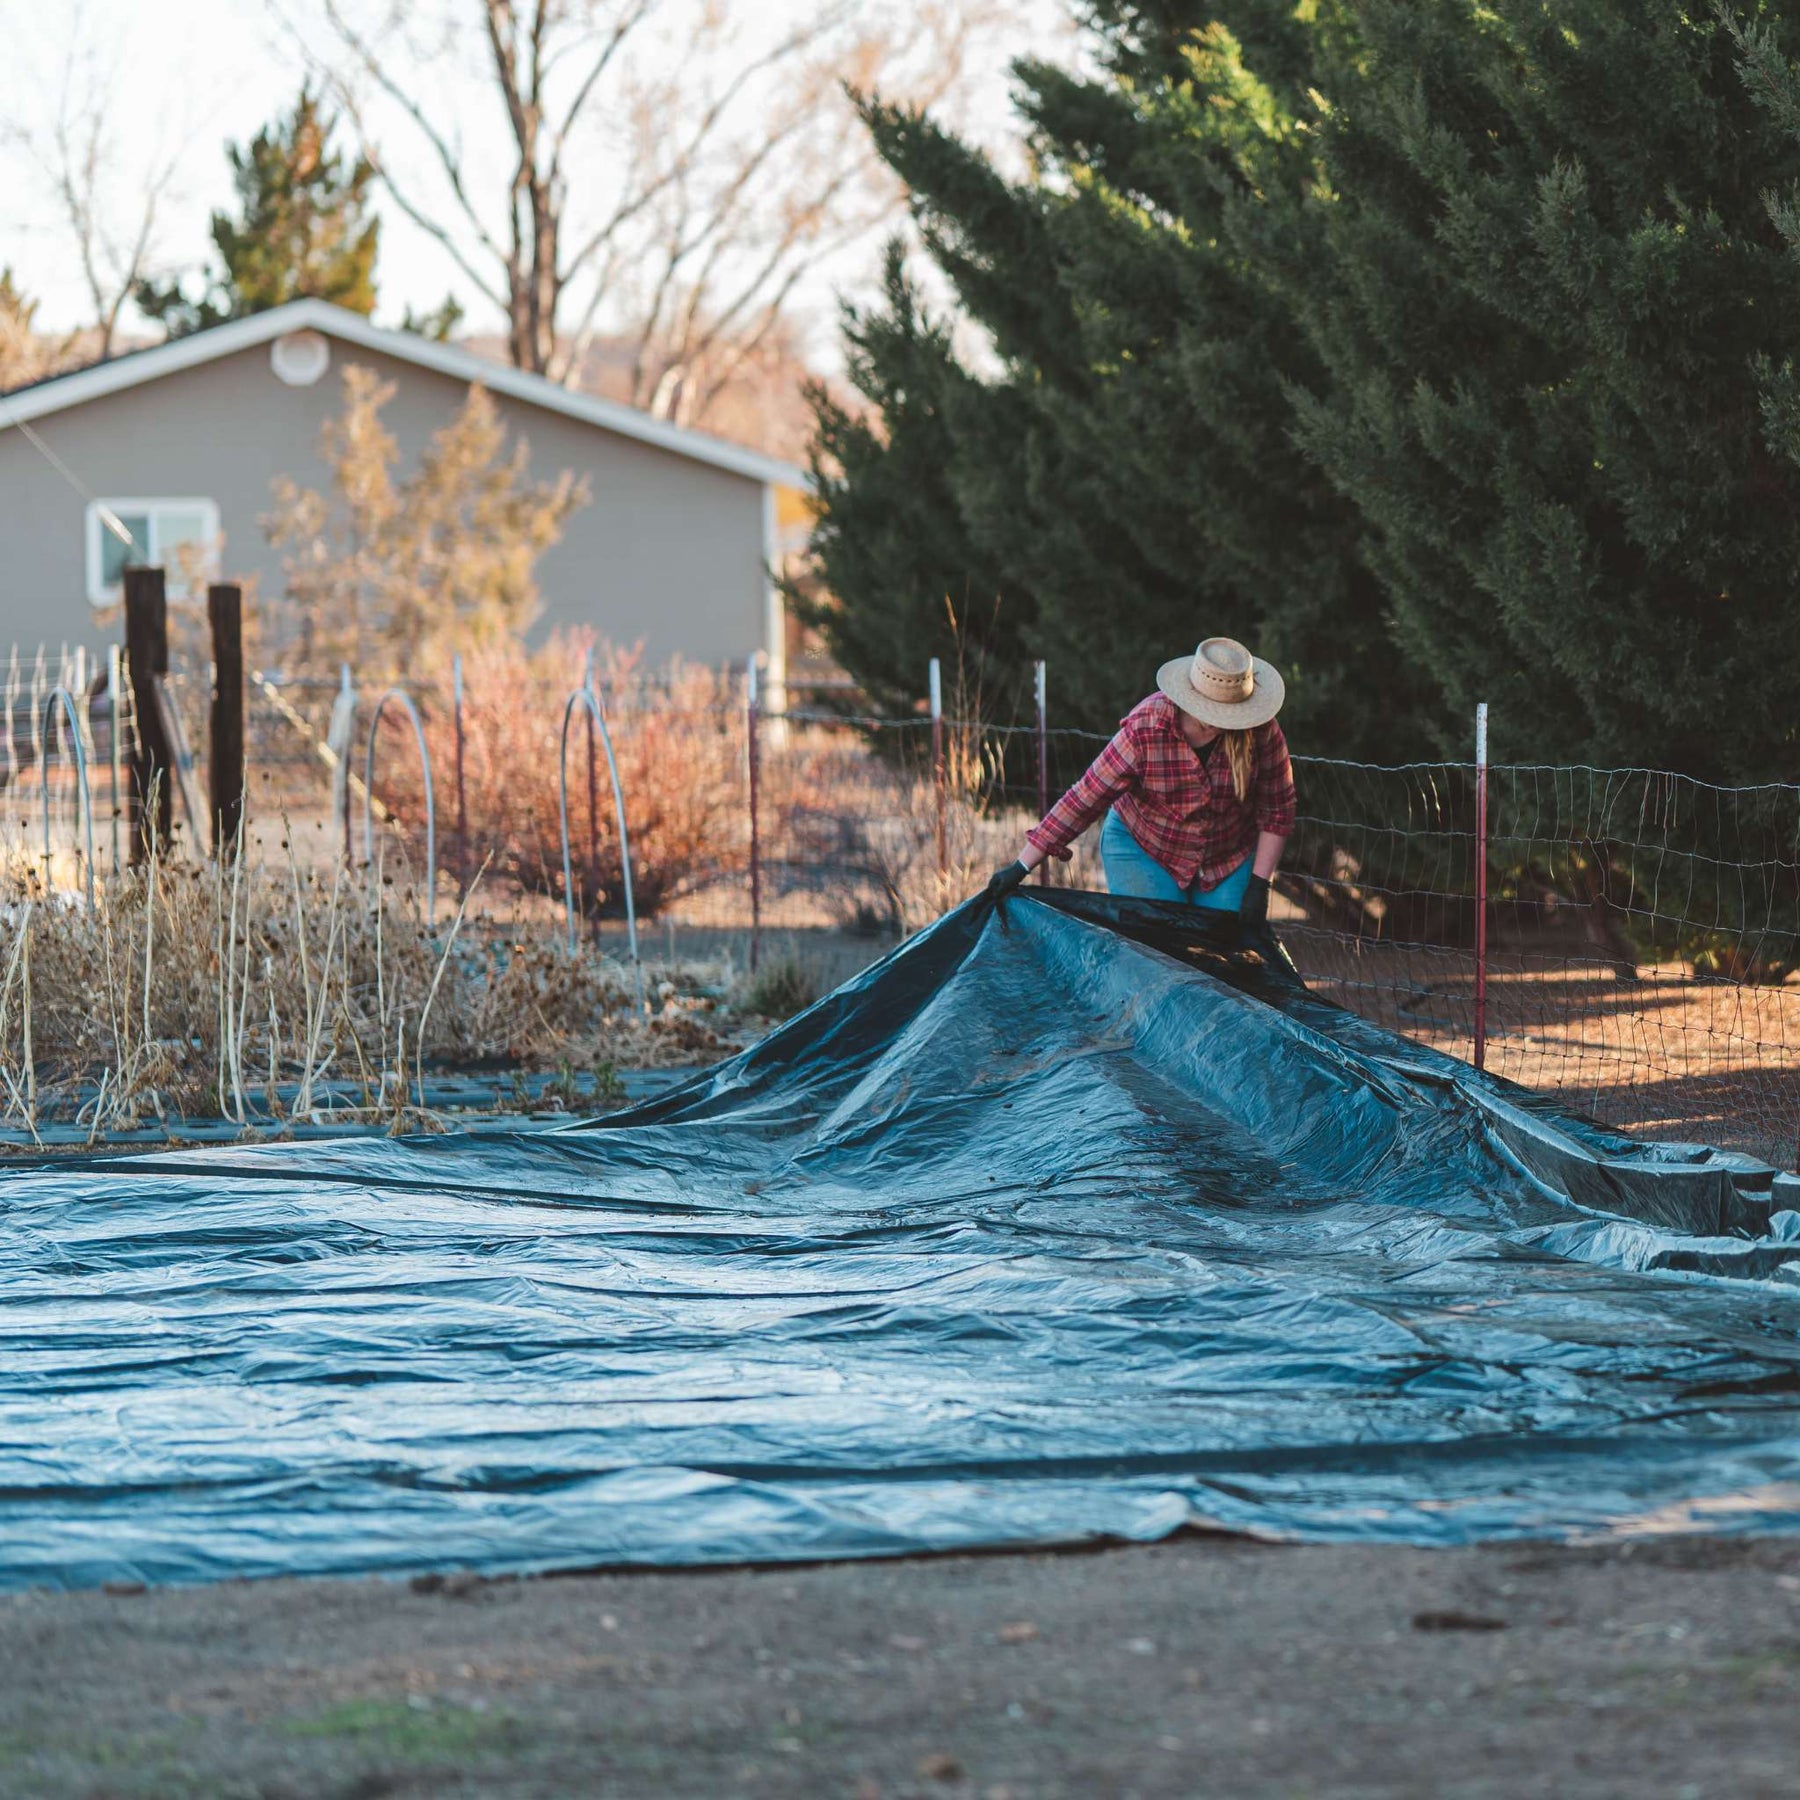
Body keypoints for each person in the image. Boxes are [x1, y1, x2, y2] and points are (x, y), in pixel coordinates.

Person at [988, 637, 1295, 939]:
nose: (1219, 722)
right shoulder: (1146, 727)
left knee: (1226, 949)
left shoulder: (1261, 732)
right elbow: (1086, 797)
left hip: (1226, 854)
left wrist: (1259, 884)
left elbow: (1278, 809)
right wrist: (1020, 867)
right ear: (1190, 697)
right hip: (1144, 847)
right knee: (1160, 948)